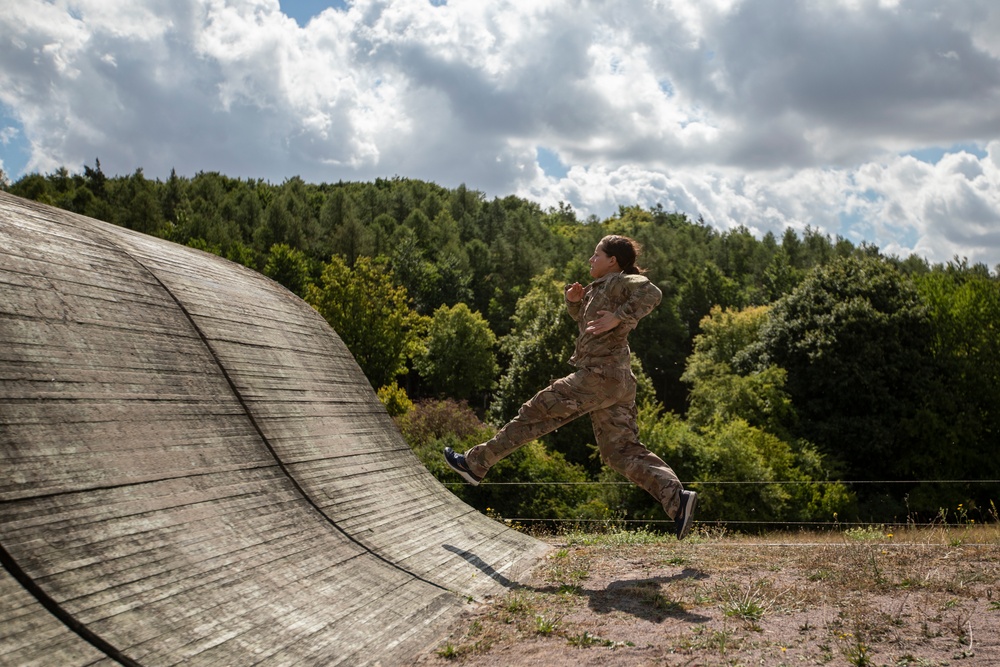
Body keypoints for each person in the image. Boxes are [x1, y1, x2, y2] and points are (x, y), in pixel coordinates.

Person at [444, 235, 697, 539]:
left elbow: (652, 292)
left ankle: (475, 464)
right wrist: (573, 303)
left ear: (612, 261)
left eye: (596, 255)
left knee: (535, 412)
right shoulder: (601, 288)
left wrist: (618, 317)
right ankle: (677, 500)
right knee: (619, 452)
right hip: (616, 382)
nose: (591, 260)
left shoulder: (621, 281)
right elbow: (588, 324)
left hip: (599, 377)